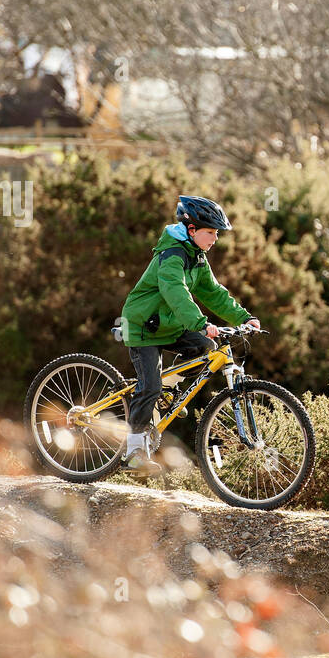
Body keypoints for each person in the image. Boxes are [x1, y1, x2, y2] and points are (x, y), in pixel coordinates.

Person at [118, 195, 260, 475]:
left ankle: (167, 390)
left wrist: (244, 318)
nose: (215, 238)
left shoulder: (197, 257)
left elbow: (214, 294)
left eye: (217, 233)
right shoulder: (171, 255)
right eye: (211, 232)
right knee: (149, 387)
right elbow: (175, 291)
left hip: (169, 326)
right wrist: (199, 321)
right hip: (142, 326)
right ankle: (134, 452)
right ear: (191, 230)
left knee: (204, 347)